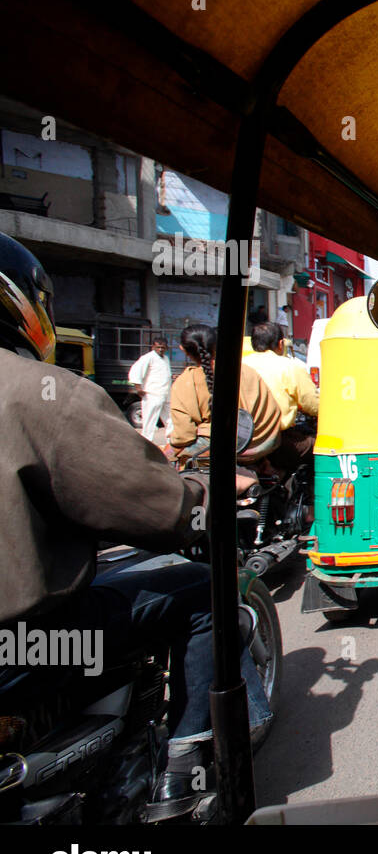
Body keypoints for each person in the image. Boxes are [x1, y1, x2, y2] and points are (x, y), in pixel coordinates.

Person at [0, 232, 269, 819]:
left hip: (191, 452)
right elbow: (159, 507)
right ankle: (188, 774)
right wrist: (199, 493)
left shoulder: (176, 382)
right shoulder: (41, 394)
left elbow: (176, 436)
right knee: (202, 590)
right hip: (23, 647)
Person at [170, 324, 282, 465]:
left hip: (221, 450)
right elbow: (273, 411)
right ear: (216, 344)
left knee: (168, 457)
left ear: (183, 350)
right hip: (262, 445)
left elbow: (183, 436)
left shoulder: (185, 382)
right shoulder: (246, 371)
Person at [242, 322, 320, 472]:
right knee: (318, 448)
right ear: (280, 344)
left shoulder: (241, 365)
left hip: (243, 439)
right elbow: (313, 405)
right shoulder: (290, 367)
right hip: (275, 441)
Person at [128, 335, 172, 446]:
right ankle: (146, 444)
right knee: (150, 421)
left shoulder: (165, 358)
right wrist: (138, 389)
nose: (160, 349)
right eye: (158, 347)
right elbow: (135, 372)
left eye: (163, 347)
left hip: (165, 394)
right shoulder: (148, 357)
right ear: (153, 347)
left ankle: (171, 443)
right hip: (152, 394)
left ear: (166, 348)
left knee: (171, 420)